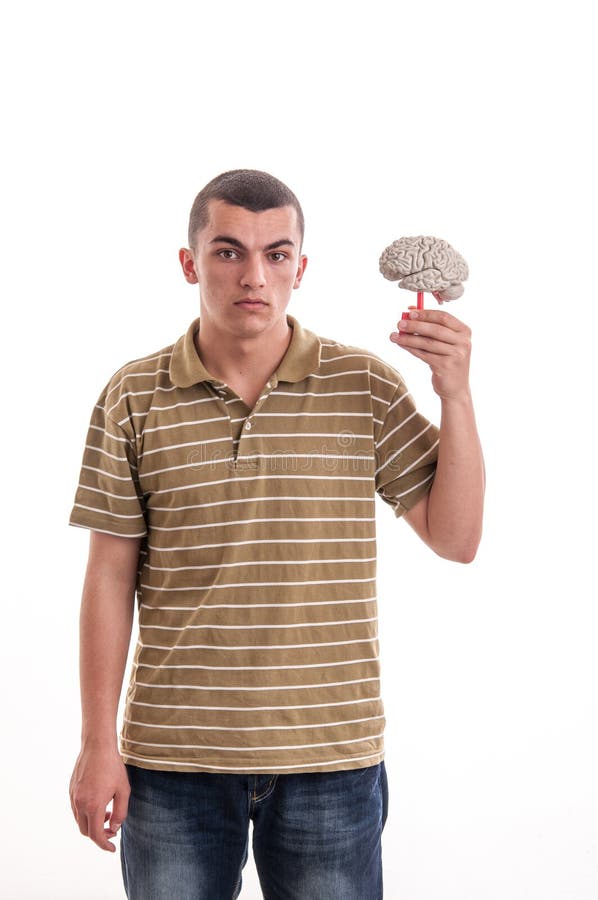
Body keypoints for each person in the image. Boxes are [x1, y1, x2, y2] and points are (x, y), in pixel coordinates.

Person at [68, 169, 485, 899]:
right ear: (189, 263)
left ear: (301, 266)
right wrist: (97, 744)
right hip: (173, 760)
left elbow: (456, 539)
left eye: (276, 254)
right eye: (228, 252)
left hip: (331, 755)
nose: (253, 275)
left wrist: (456, 395)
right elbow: (108, 577)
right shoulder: (132, 396)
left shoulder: (365, 386)